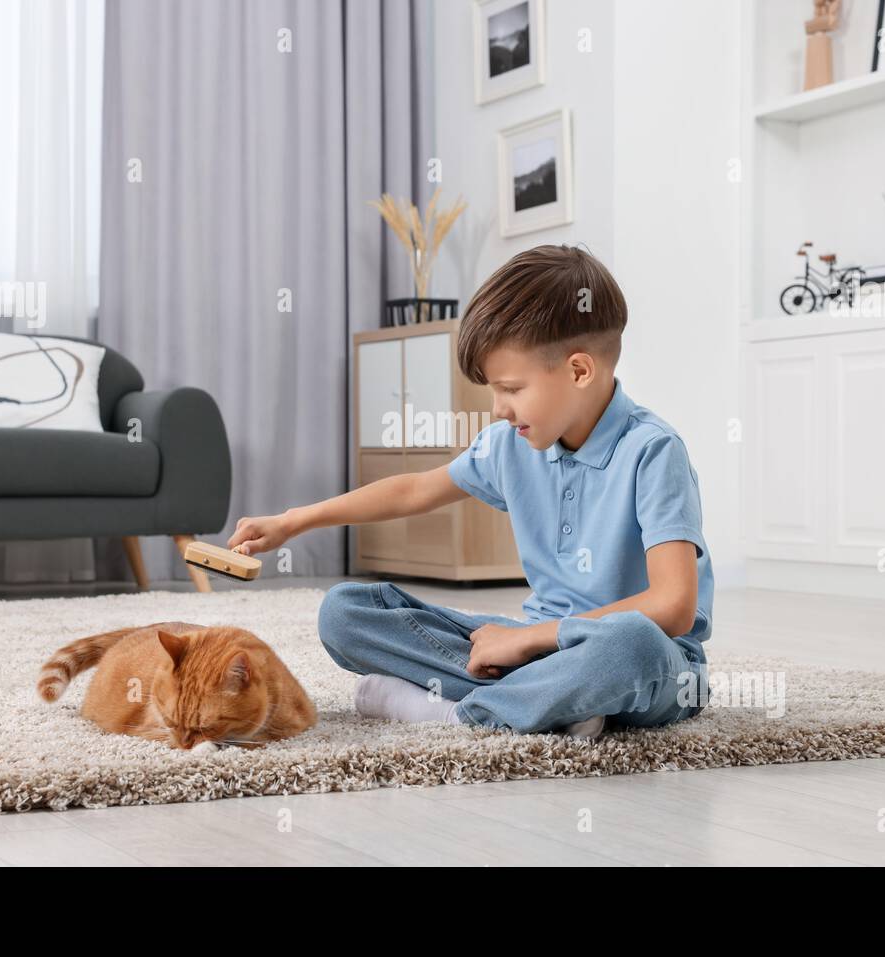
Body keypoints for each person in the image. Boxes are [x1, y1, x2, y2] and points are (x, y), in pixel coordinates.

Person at [228, 244, 713, 740]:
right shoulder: (510, 444)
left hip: (651, 665)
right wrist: (293, 520)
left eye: (512, 388)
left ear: (579, 371)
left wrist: (529, 640)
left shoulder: (653, 452)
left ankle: (462, 712)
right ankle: (551, 702)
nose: (499, 408)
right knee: (346, 610)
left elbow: (673, 606)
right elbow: (413, 490)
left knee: (630, 644)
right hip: (536, 650)